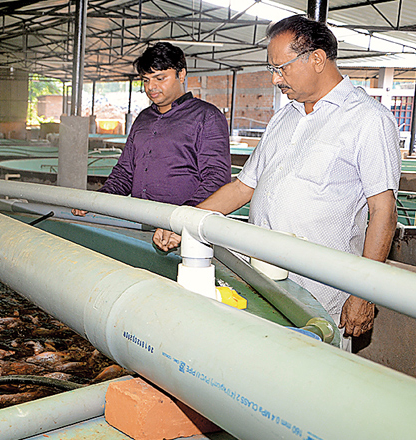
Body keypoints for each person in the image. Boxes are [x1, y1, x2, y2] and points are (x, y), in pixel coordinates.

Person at [153, 15, 400, 350]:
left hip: (320, 293)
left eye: (281, 68)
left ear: (316, 59)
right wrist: (185, 222)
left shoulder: (367, 119)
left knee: (311, 381)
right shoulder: (285, 116)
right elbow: (243, 187)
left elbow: (383, 210)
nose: (274, 79)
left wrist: (365, 292)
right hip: (264, 282)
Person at [72, 42, 230, 216]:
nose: (151, 87)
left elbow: (216, 178)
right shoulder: (143, 119)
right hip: (140, 220)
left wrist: (185, 217)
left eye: (160, 78)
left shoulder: (206, 117)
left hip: (182, 229)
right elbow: (125, 172)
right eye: (146, 80)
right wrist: (98, 200)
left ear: (181, 74)